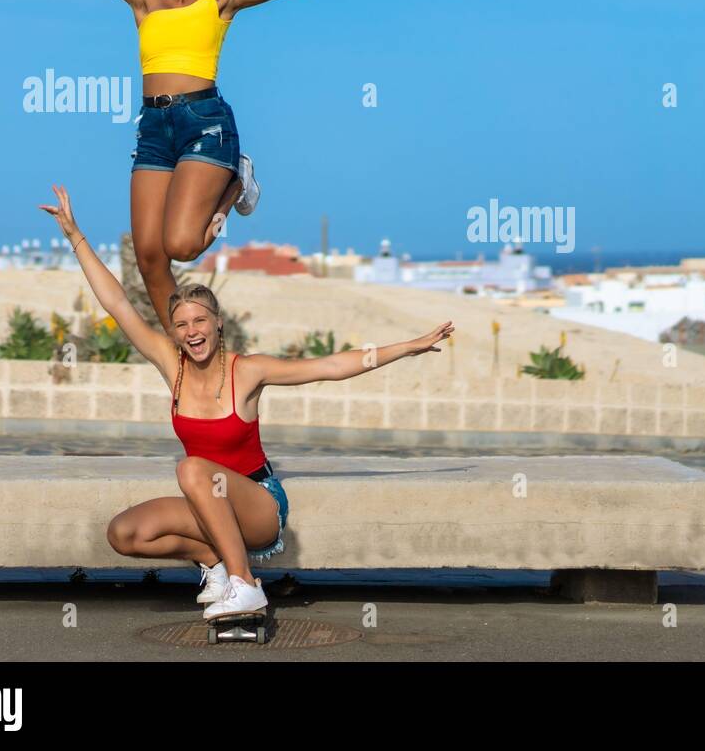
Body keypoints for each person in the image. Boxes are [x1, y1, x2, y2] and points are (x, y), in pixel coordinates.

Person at [39, 184, 452, 618]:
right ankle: (215, 564)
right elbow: (119, 304)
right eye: (181, 324)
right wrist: (74, 235)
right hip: (208, 499)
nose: (191, 331)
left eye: (200, 320)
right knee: (124, 533)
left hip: (258, 504)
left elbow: (331, 365)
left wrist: (408, 346)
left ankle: (245, 584)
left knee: (192, 469)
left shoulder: (248, 371)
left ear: (218, 324)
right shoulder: (171, 365)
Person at [15, 0, 392, 329]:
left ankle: (237, 181)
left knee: (183, 246)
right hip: (154, 130)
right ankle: (183, 351)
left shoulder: (221, 1)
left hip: (204, 123)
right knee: (150, 256)